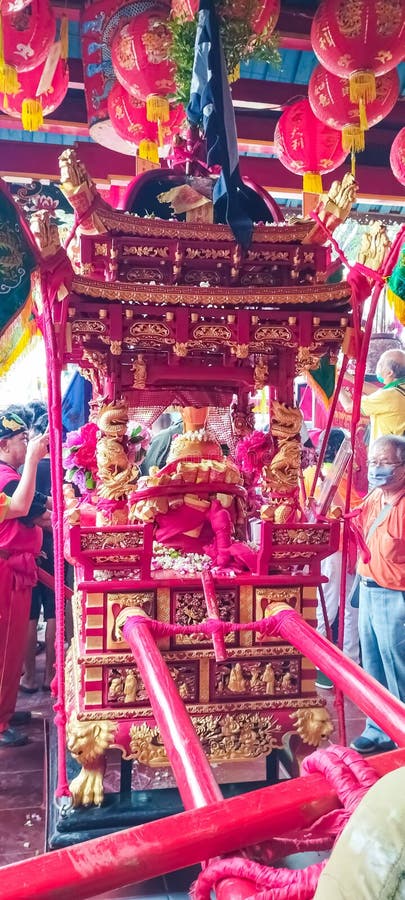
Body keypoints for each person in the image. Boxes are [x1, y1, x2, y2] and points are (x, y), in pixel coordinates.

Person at [350, 434, 405, 754]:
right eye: (373, 462)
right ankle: (377, 726)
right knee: (372, 666)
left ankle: (399, 729)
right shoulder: (373, 497)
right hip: (368, 589)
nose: (376, 468)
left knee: (396, 665)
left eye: (385, 463)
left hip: (394, 595)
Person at [0, 412, 50, 747]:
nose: (25, 444)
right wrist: (33, 458)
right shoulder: (3, 477)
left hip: (16, 568)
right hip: (5, 573)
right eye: (20, 440)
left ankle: (4, 708)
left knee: (13, 646)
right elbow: (19, 507)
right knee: (4, 647)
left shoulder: (7, 474)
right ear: (4, 444)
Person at [303, 429, 360, 687]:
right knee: (345, 606)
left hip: (331, 547)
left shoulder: (311, 475)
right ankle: (349, 659)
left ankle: (322, 660)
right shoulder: (342, 478)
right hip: (343, 548)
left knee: (328, 602)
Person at [20, 414, 55, 694]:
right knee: (52, 609)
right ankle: (49, 677)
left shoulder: (23, 470)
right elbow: (36, 509)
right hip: (46, 543)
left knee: (31, 614)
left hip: (32, 546)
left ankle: (29, 676)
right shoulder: (56, 466)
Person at [339, 349, 405, 445]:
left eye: (381, 364)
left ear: (389, 373)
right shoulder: (398, 389)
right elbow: (378, 391)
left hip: (387, 454)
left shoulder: (388, 396)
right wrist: (349, 377)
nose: (378, 366)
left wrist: (336, 385)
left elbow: (349, 407)